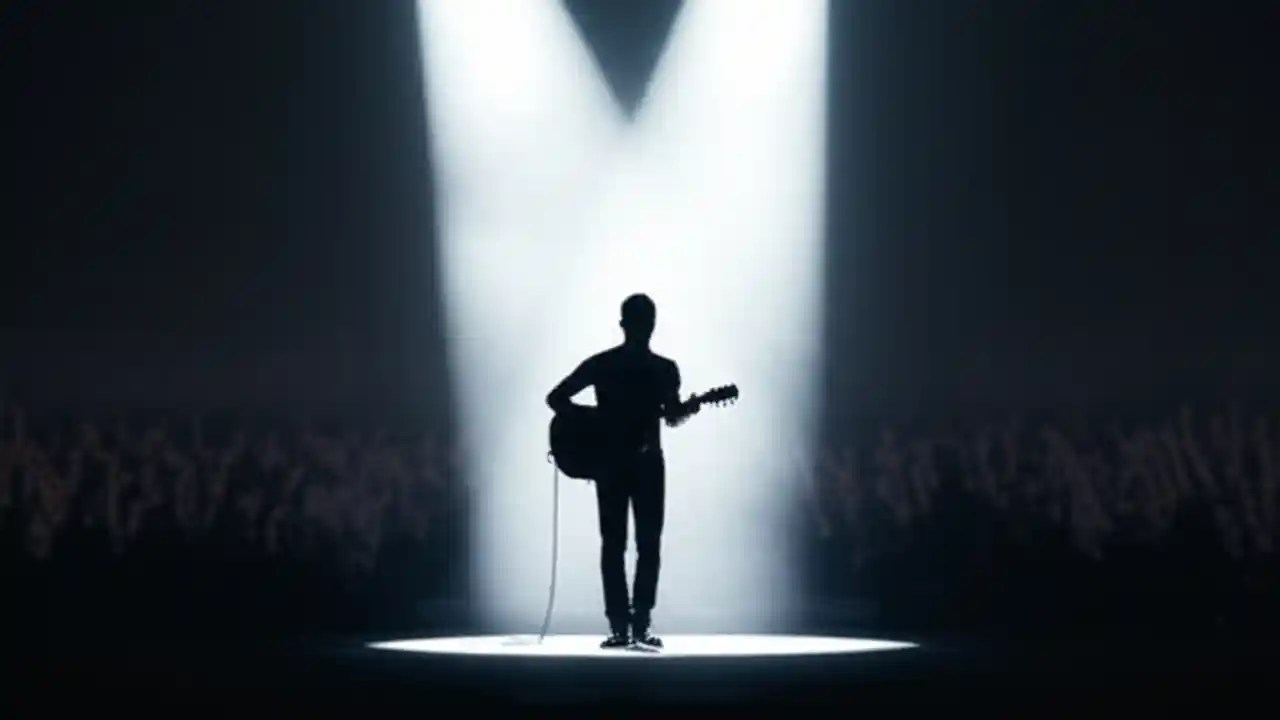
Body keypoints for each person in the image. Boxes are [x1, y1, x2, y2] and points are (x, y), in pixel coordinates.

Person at [546, 293, 690, 650]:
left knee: (616, 545)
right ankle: (638, 624)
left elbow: (556, 399)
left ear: (623, 323)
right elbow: (672, 416)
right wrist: (687, 409)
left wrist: (593, 419)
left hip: (612, 463)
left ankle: (621, 628)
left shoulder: (602, 364)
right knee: (645, 545)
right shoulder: (664, 368)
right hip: (643, 464)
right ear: (650, 324)